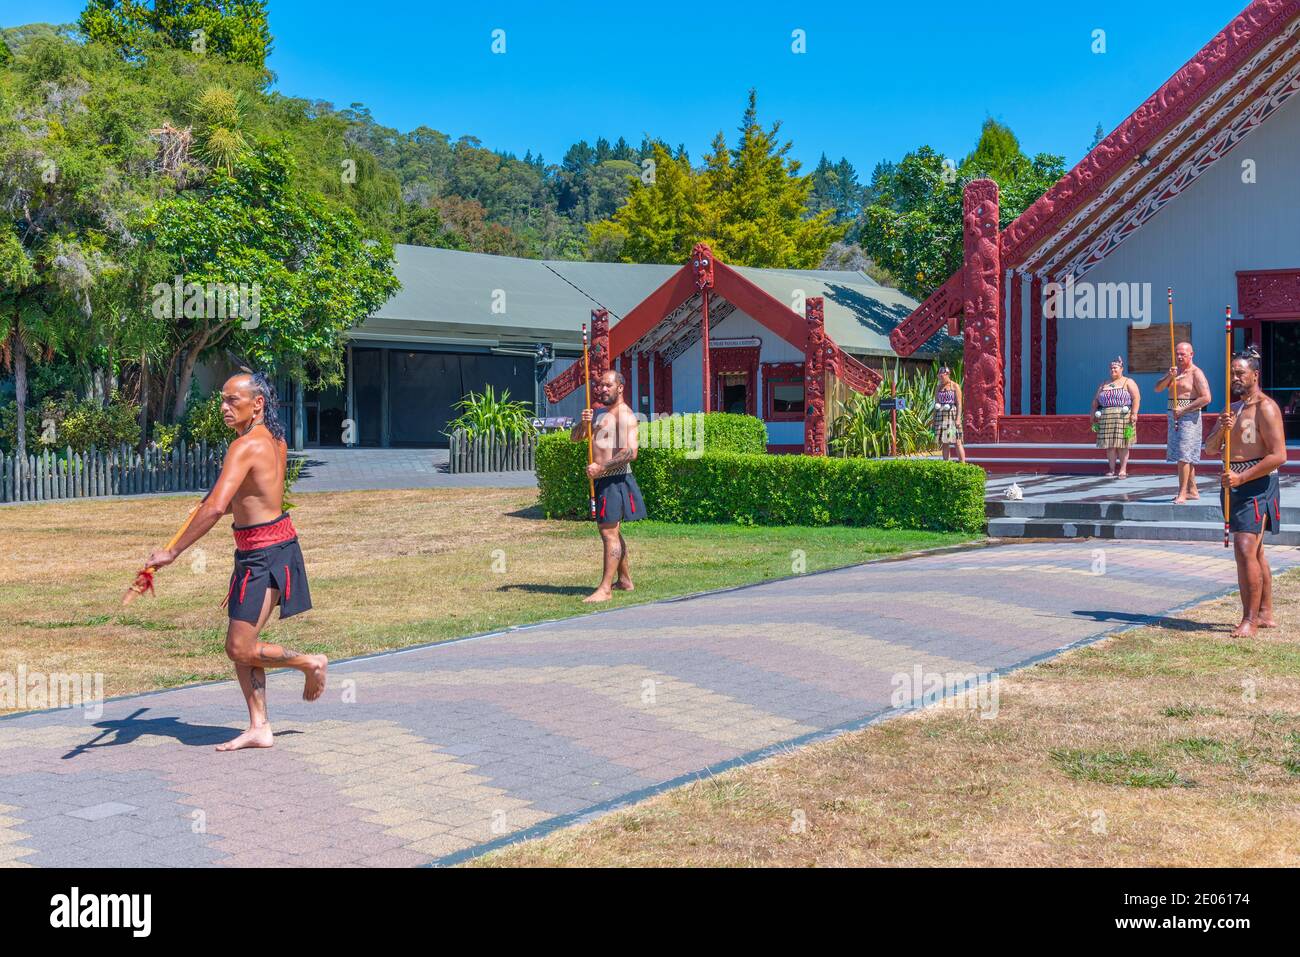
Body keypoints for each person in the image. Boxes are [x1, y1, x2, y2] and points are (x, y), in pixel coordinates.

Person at [144, 372, 326, 751]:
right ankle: (259, 726)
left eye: (233, 401)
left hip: (265, 555)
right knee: (242, 640)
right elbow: (248, 494)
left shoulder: (243, 447)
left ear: (257, 404)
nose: (225, 407)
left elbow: (215, 507)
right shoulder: (274, 439)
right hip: (267, 548)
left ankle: (309, 662)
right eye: (223, 400)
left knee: (239, 647)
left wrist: (172, 552)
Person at [1203, 346, 1286, 638]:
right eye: (1232, 373)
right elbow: (1210, 450)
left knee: (1245, 548)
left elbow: (1279, 455)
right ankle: (1265, 613)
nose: (1235, 377)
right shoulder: (1231, 409)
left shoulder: (1265, 407)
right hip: (1232, 483)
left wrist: (1242, 477)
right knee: (1256, 550)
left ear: (1255, 374)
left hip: (1258, 483)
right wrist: (1220, 430)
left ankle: (1249, 619)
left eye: (1241, 372)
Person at [569, 369, 645, 603]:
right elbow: (576, 438)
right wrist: (584, 423)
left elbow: (631, 452)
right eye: (600, 385)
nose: (601, 389)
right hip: (604, 479)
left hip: (614, 479)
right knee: (613, 531)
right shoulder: (602, 414)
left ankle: (605, 589)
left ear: (620, 388)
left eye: (607, 386)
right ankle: (624, 580)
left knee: (608, 532)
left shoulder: (625, 415)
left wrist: (602, 468)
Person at [1154, 341, 1212, 503]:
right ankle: (1192, 490)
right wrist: (1168, 376)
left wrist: (1184, 410)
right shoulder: (1174, 372)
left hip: (1189, 417)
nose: (1179, 357)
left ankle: (1182, 493)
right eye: (1177, 354)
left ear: (1191, 355)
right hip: (1173, 415)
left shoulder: (1196, 373)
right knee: (1182, 454)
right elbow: (1157, 389)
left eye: (1183, 354)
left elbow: (1206, 398)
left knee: (1184, 455)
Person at [1091, 357, 1140, 478]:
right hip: (1106, 417)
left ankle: (1123, 469)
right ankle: (1112, 469)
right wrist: (1092, 414)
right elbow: (1096, 401)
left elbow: (1136, 398)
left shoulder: (1128, 381)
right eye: (1111, 368)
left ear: (1121, 369)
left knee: (1123, 444)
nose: (1113, 370)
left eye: (1115, 367)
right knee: (1110, 445)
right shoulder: (1104, 384)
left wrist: (1134, 413)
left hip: (1123, 417)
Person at [933, 366, 966, 464]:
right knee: (945, 442)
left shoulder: (955, 386)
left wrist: (958, 419)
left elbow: (959, 403)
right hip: (941, 415)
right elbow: (936, 403)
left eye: (942, 375)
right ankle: (946, 464)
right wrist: (934, 418)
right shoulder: (938, 387)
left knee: (957, 441)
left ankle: (962, 464)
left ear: (947, 374)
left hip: (952, 415)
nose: (940, 377)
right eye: (939, 375)